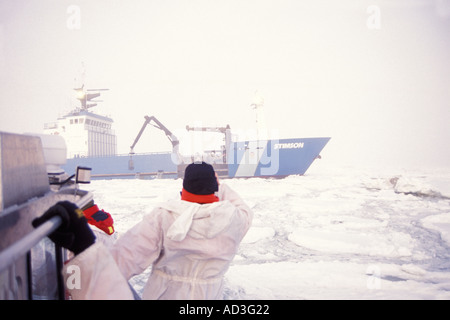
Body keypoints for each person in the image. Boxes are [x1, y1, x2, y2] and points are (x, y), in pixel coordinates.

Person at [33, 162, 253, 300]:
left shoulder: (164, 217)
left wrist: (80, 273)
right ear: (215, 188)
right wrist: (218, 184)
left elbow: (123, 261)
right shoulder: (235, 219)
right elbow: (242, 206)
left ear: (183, 189)